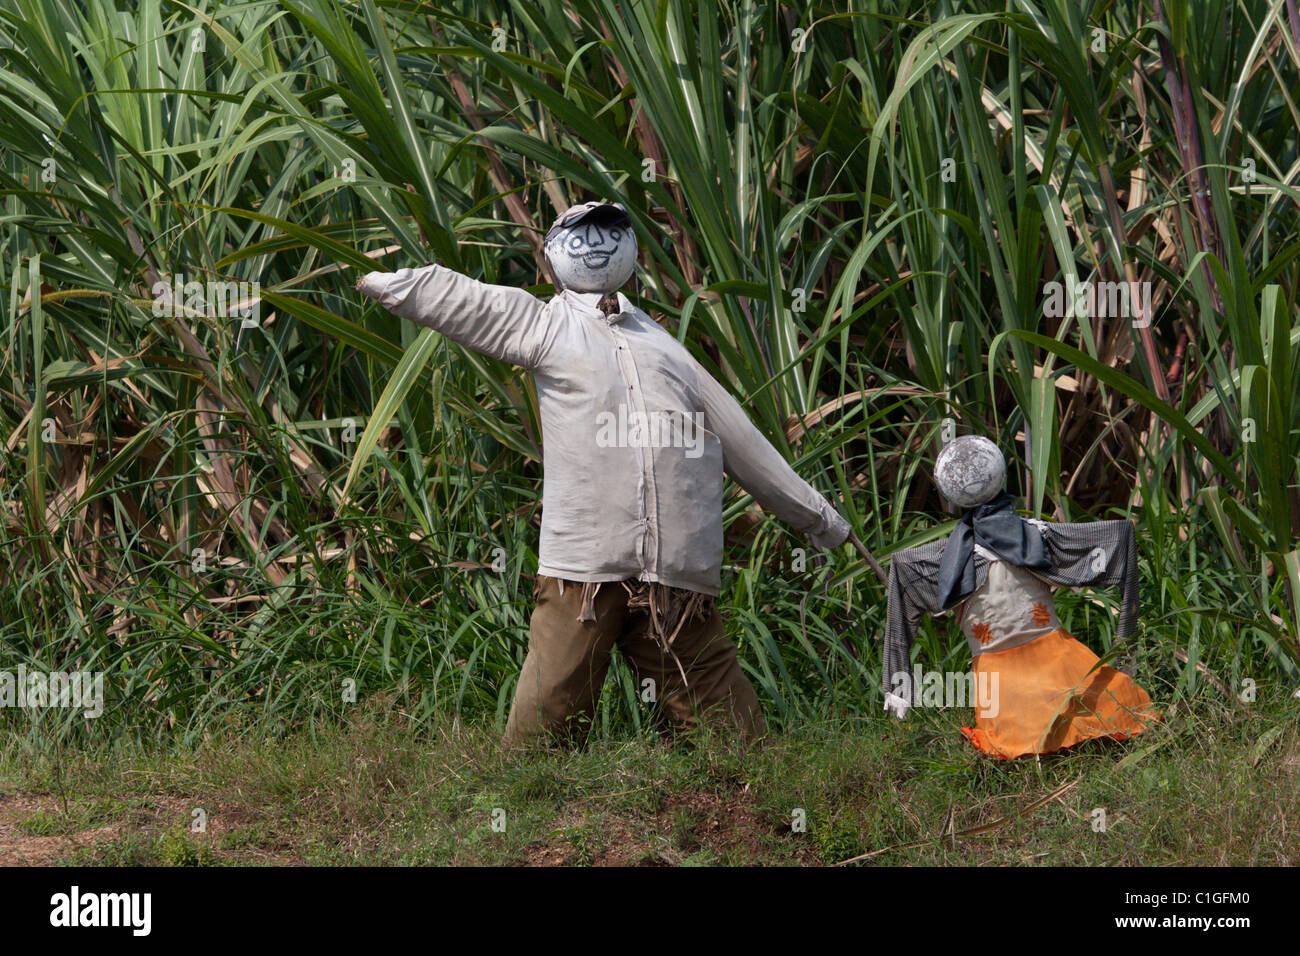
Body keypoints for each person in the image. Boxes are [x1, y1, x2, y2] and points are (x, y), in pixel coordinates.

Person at [357, 200, 851, 746]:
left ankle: (745, 812)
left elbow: (745, 443)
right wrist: (389, 283)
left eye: (610, 231)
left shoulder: (668, 351)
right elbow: (473, 303)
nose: (595, 243)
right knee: (547, 721)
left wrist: (819, 519)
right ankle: (528, 819)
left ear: (631, 248)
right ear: (551, 253)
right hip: (583, 570)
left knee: (731, 734)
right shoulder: (545, 327)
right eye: (580, 234)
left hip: (675, 575)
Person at [882, 434, 1159, 758]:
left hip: (1034, 669)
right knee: (1104, 705)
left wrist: (897, 685)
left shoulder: (943, 560)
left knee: (1047, 723)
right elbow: (1118, 536)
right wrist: (1125, 650)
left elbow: (901, 572)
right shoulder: (1035, 537)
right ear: (1000, 477)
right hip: (1026, 672)